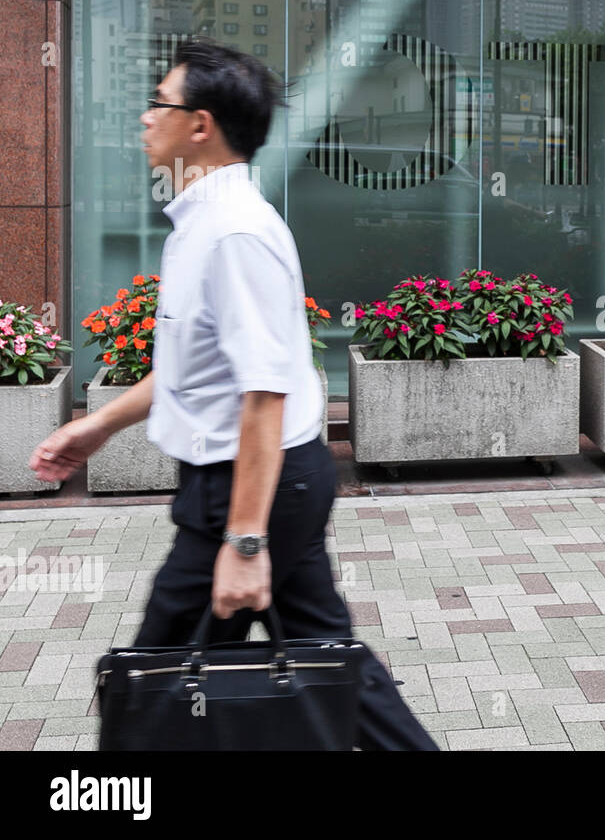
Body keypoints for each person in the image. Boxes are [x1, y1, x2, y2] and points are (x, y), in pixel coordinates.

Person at [30, 40, 438, 750]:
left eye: (159, 103)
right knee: (327, 664)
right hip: (264, 482)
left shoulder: (234, 234)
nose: (144, 117)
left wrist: (244, 542)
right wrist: (98, 429)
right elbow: (196, 372)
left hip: (250, 488)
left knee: (156, 676)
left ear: (200, 125)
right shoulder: (202, 225)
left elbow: (264, 394)